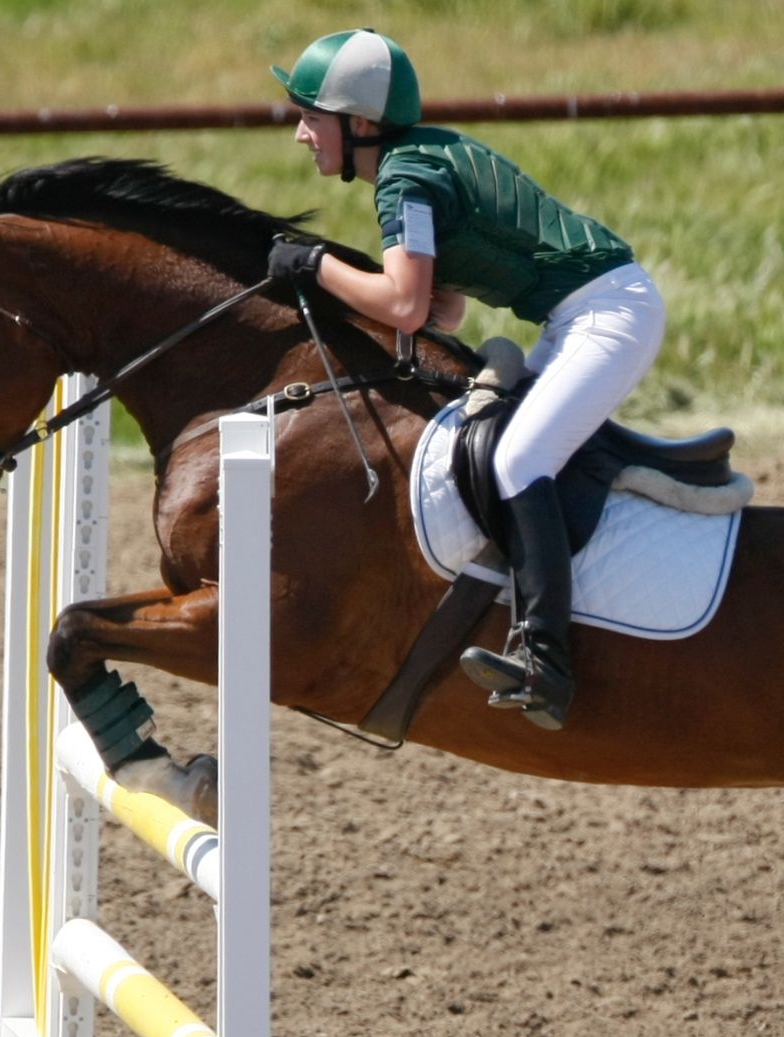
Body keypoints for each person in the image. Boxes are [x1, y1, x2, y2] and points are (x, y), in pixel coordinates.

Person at [266, 28, 665, 732]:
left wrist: (317, 265)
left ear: (360, 123)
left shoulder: (404, 177)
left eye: (310, 115)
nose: (300, 133)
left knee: (517, 457)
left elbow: (407, 306)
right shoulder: (417, 159)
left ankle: (550, 663)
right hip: (583, 315)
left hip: (606, 314)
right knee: (499, 446)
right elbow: (441, 306)